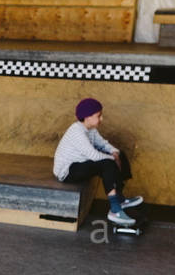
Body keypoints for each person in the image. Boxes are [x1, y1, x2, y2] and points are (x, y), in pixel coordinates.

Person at [53, 97, 144, 226]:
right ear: (87, 117)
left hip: (81, 163)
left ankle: (120, 198)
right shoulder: (76, 131)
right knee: (107, 163)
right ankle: (115, 209)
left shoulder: (91, 129)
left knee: (119, 153)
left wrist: (115, 152)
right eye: (98, 116)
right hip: (67, 171)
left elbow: (102, 144)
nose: (101, 119)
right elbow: (94, 155)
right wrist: (113, 159)